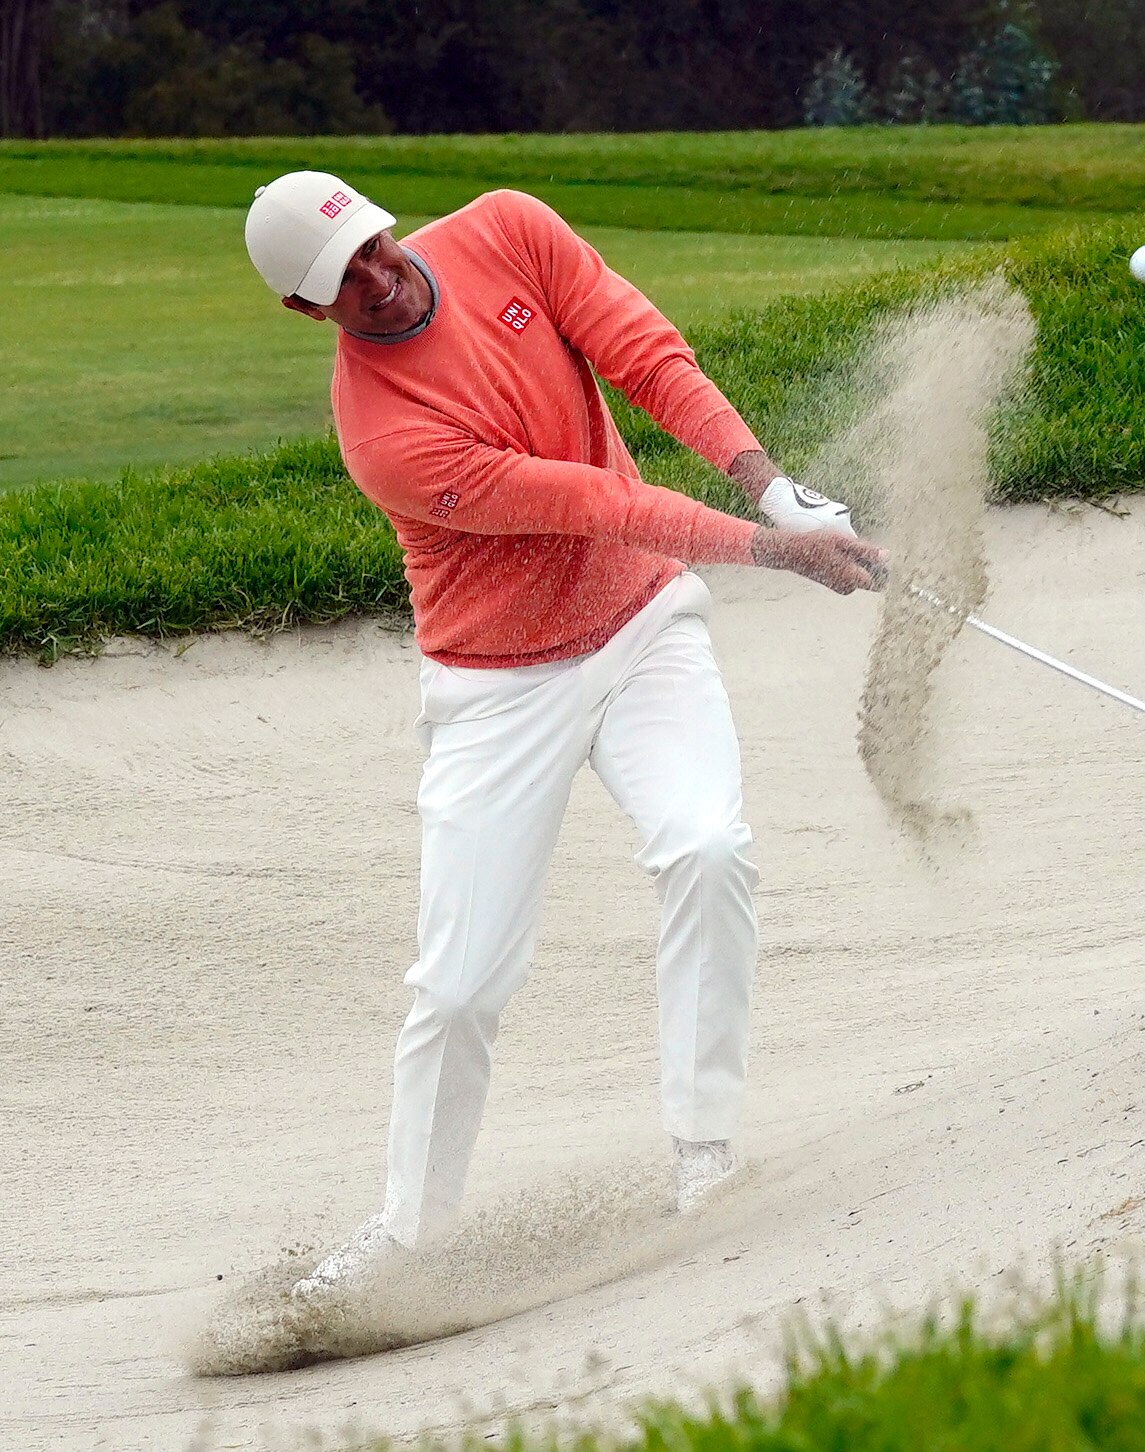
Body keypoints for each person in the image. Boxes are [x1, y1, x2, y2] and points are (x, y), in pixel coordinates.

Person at [242, 171, 887, 1294]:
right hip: (498, 692)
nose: (379, 278)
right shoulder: (383, 434)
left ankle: (705, 1152)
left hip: (641, 628)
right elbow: (590, 502)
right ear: (307, 310)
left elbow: (648, 357)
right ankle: (410, 1239)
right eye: (344, 282)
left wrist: (769, 486)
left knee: (706, 848)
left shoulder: (509, 228)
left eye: (374, 246)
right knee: (458, 987)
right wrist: (773, 551)